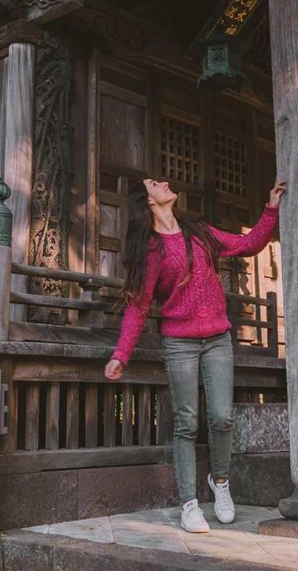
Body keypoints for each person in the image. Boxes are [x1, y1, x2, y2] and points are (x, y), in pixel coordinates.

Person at [105, 175, 285, 533]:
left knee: (222, 417)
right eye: (156, 183)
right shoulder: (153, 250)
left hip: (218, 338)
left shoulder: (198, 232)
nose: (165, 182)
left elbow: (248, 244)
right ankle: (189, 504)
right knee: (186, 423)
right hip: (180, 343)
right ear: (149, 201)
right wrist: (121, 354)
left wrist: (271, 208)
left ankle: (220, 483)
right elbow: (139, 306)